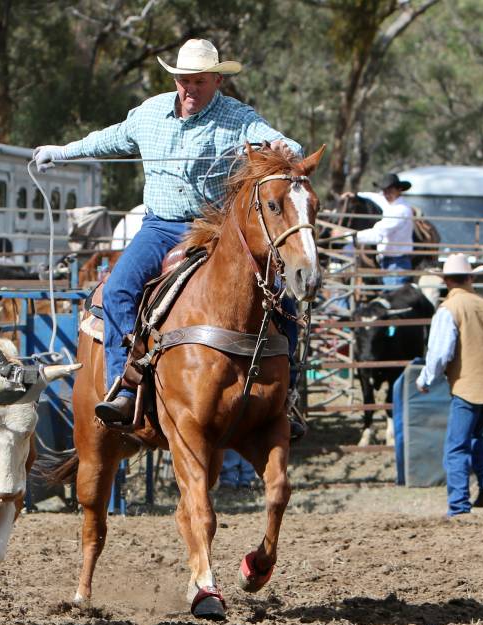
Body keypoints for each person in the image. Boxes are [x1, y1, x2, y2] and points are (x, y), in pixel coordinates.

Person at [32, 38, 303, 426]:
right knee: (119, 288)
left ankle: (287, 393)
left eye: (200, 81)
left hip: (214, 229)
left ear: (216, 82)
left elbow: (286, 142)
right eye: (184, 80)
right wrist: (61, 152)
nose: (190, 89)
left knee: (282, 298)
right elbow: (107, 139)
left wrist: (284, 145)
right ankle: (123, 386)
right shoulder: (150, 113)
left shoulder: (238, 119)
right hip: (160, 226)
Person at [415, 253, 483, 517]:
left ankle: (459, 507)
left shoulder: (449, 310)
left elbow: (440, 354)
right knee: (474, 436)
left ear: (446, 281)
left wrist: (425, 379)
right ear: (471, 278)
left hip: (467, 387)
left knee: (456, 447)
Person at [351, 172, 416, 286]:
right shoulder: (393, 205)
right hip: (391, 261)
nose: (386, 194)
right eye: (384, 191)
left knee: (393, 297)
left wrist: (349, 236)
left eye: (390, 190)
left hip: (396, 263)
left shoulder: (400, 210)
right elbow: (376, 197)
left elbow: (378, 234)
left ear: (399, 189)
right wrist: (357, 195)